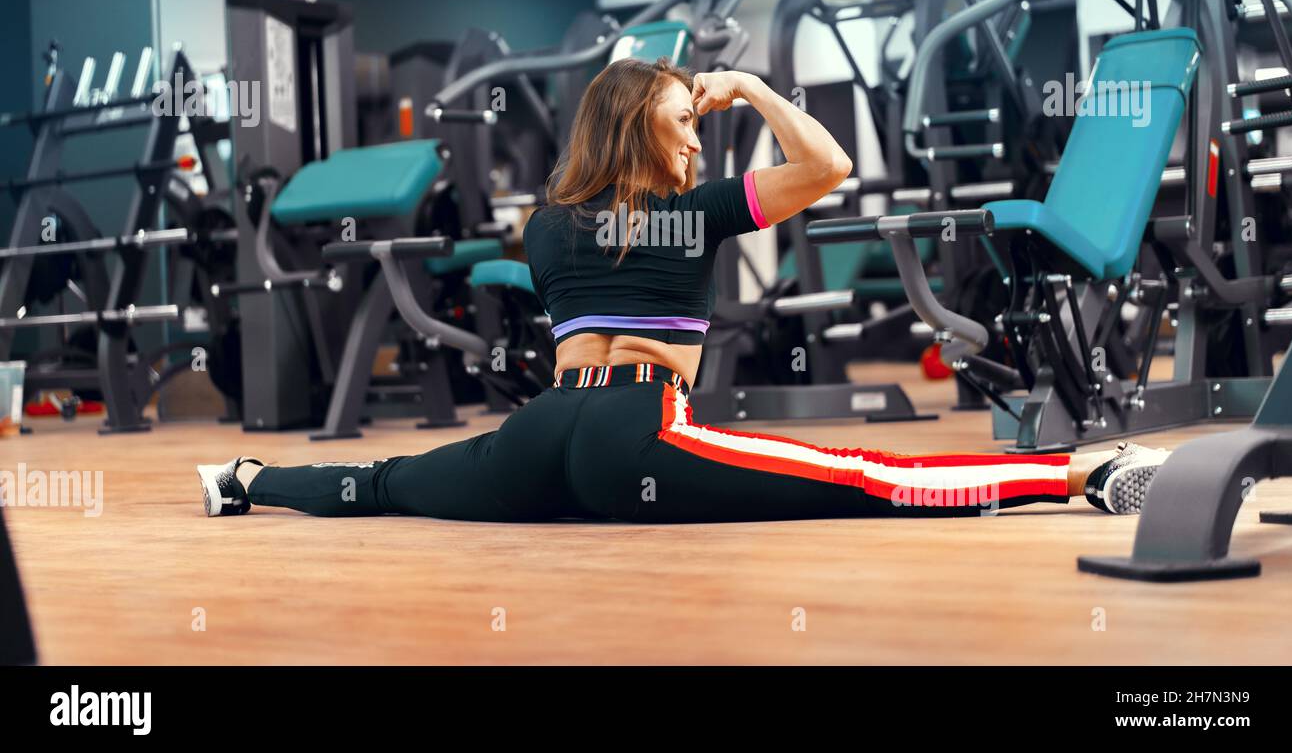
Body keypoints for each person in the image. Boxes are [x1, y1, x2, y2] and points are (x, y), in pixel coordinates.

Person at [198, 58, 1166, 522]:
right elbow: (827, 164)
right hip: (638, 431)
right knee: (866, 476)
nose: (698, 140)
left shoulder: (547, 224)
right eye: (683, 122)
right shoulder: (697, 210)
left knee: (385, 483)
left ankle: (242, 480)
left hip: (536, 437)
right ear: (638, 131)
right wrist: (747, 86)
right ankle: (1079, 473)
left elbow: (607, 238)